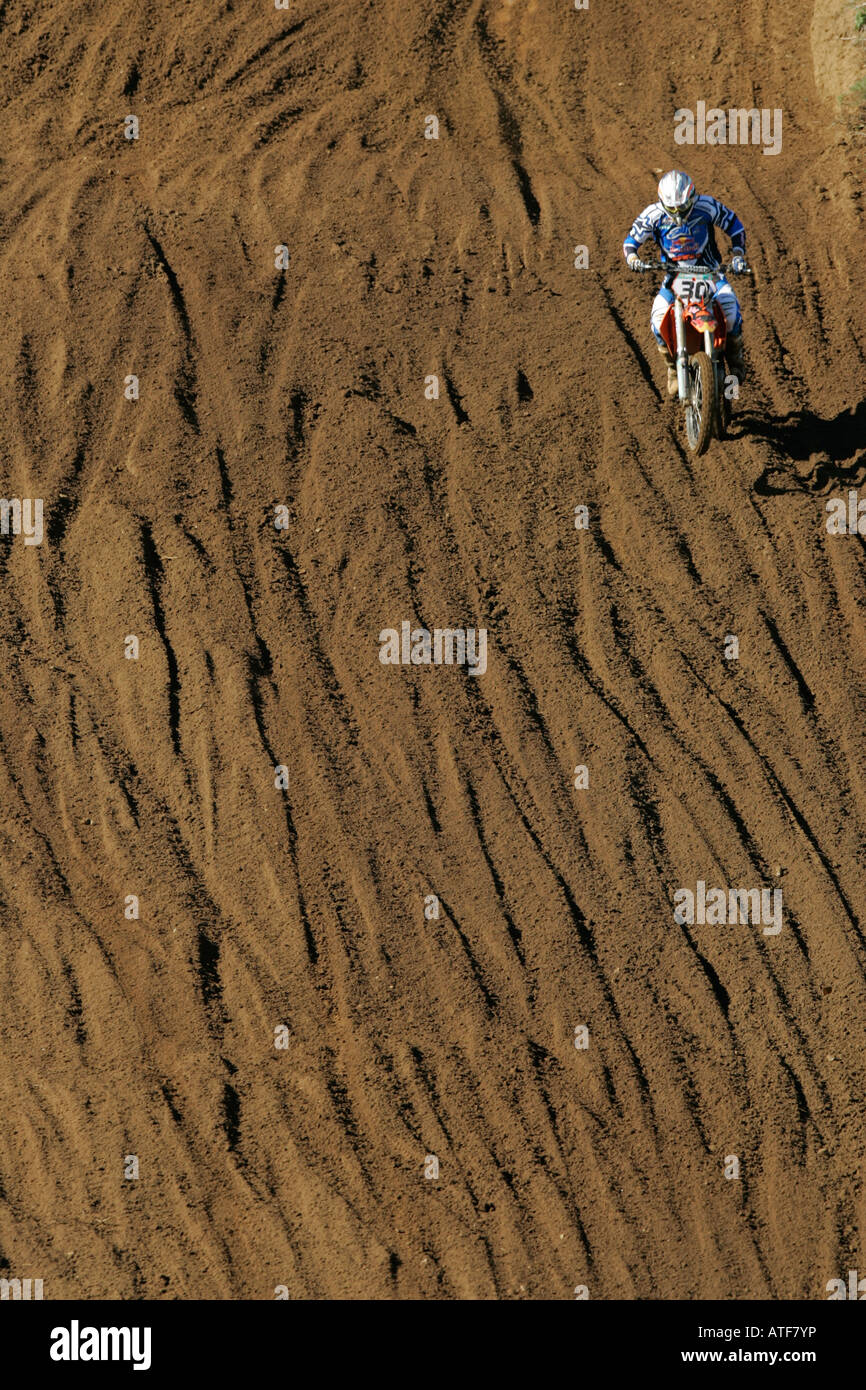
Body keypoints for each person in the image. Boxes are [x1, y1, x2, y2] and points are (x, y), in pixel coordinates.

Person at [623, 170, 749, 396]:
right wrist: (633, 258)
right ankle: (673, 368)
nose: (678, 214)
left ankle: (736, 361)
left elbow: (734, 225)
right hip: (674, 279)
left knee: (730, 313)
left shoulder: (707, 206)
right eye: (672, 210)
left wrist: (738, 254)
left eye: (682, 208)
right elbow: (632, 240)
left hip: (711, 275)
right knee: (658, 320)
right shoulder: (653, 214)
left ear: (692, 197)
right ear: (663, 203)